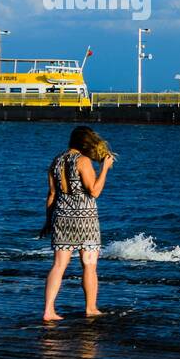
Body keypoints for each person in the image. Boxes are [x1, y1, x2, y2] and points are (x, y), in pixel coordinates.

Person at [41, 126, 114, 321]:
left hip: (61, 217)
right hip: (85, 219)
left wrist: (48, 221)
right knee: (89, 264)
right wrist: (104, 169)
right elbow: (94, 191)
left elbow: (52, 194)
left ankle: (48, 311)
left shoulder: (56, 161)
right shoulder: (83, 161)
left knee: (58, 265)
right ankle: (90, 308)